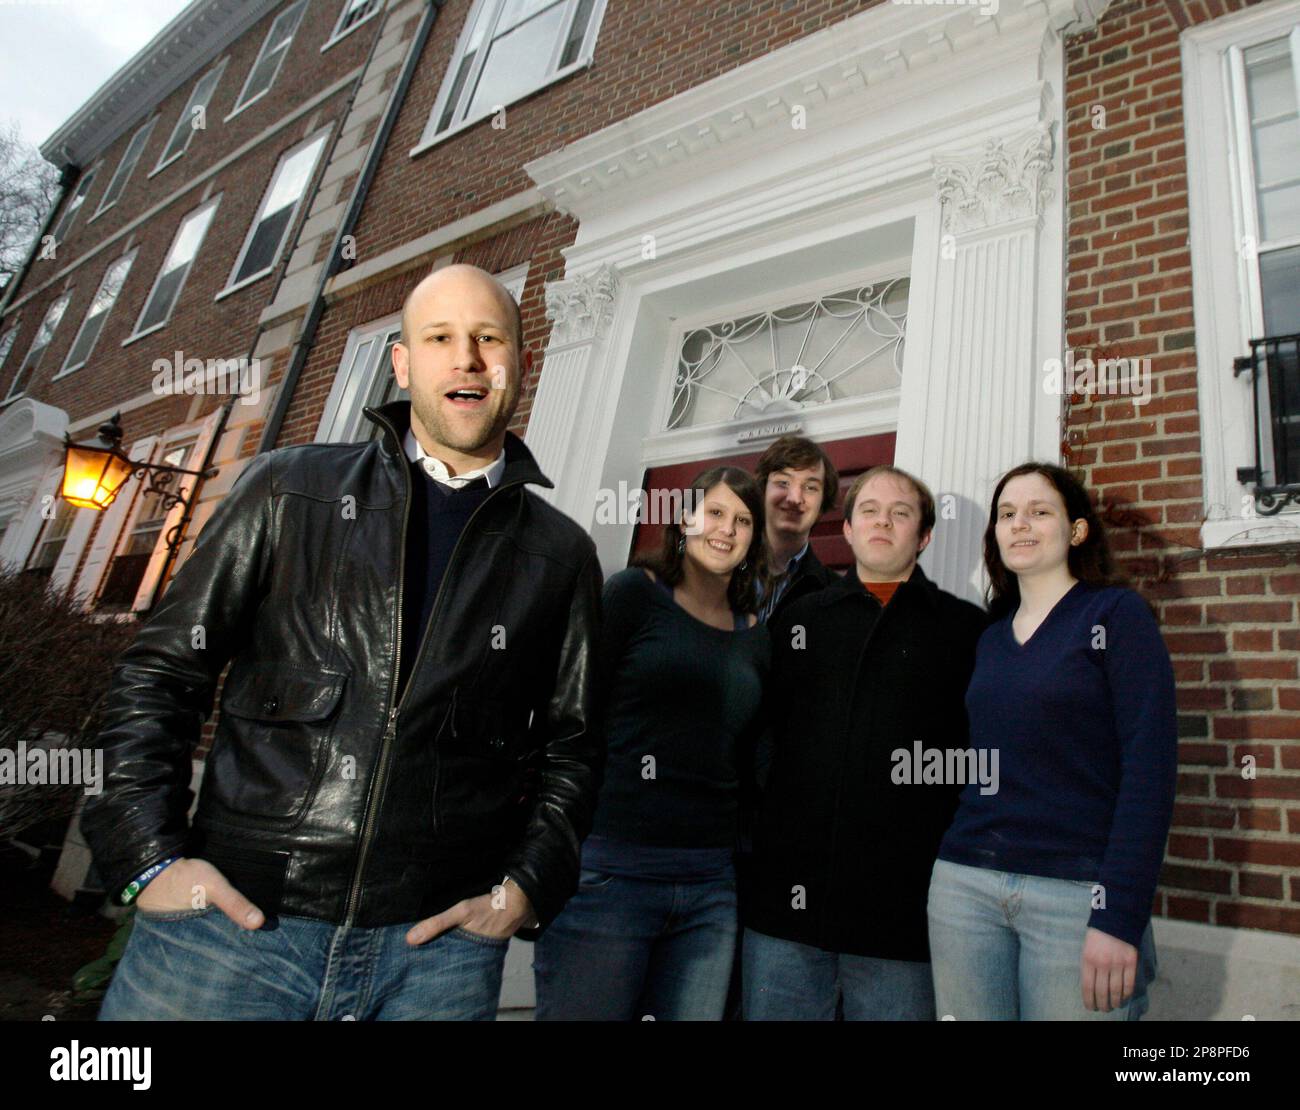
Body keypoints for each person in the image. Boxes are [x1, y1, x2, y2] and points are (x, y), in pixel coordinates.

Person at [83, 264, 603, 1021]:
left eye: (490, 339)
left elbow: (574, 745)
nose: (467, 358)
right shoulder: (286, 489)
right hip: (230, 936)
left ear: (521, 362)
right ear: (402, 363)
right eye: (440, 338)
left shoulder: (562, 556)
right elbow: (160, 673)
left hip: (435, 960)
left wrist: (522, 890)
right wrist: (149, 861)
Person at [927, 462, 1176, 1020]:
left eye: (1039, 512)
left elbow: (1150, 772)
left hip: (1075, 895)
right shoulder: (989, 638)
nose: (1020, 524)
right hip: (965, 887)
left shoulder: (1116, 615)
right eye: (1007, 514)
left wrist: (1118, 915)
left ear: (1077, 530)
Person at [743, 466, 986, 1020]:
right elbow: (760, 737)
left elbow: (976, 764)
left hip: (902, 918)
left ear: (923, 537)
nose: (883, 521)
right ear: (848, 530)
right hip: (785, 905)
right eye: (869, 511)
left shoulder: (965, 631)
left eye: (901, 513)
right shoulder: (799, 621)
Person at [533, 467, 771, 1020]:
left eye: (743, 520)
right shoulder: (632, 594)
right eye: (714, 513)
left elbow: (753, 753)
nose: (727, 530)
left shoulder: (756, 632)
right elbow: (570, 717)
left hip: (711, 883)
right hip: (612, 871)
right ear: (684, 520)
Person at [752, 435, 839, 623]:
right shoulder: (722, 569)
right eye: (783, 483)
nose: (794, 498)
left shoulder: (835, 594)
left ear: (822, 503)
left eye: (810, 487)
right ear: (763, 490)